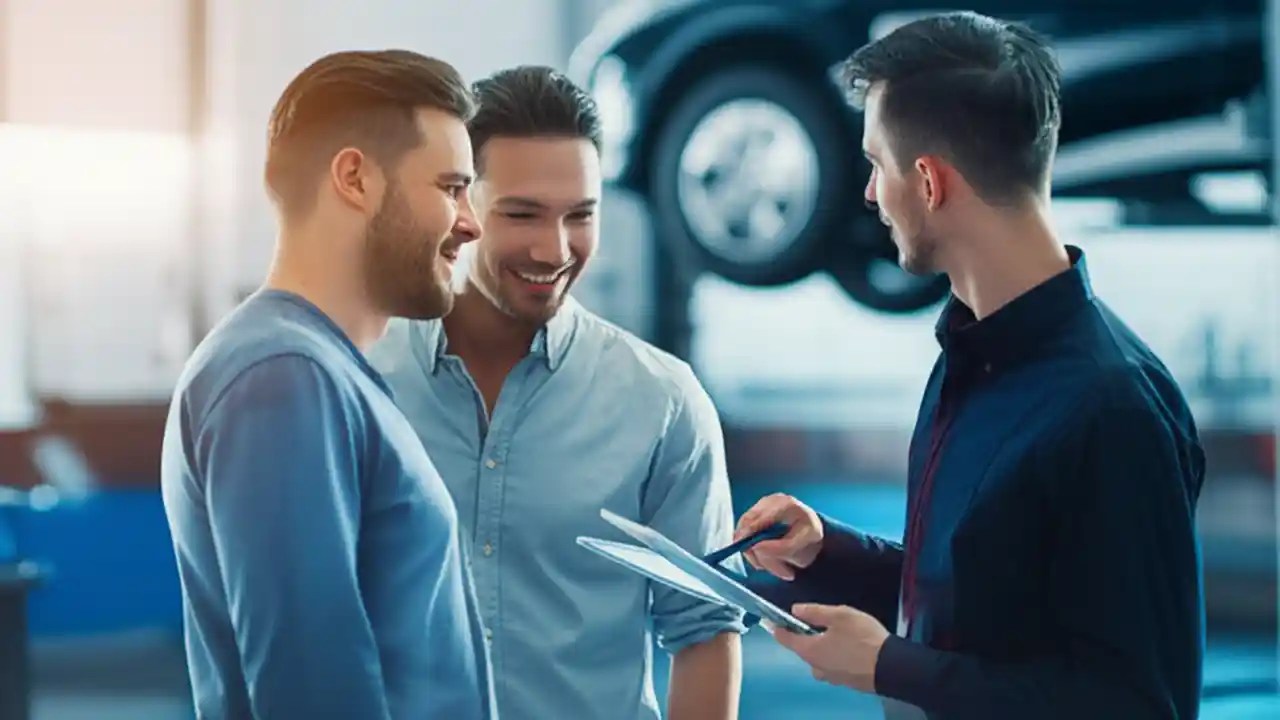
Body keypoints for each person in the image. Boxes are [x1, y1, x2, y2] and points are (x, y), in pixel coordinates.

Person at [734, 12, 1206, 720]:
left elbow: (1137, 703)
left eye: (875, 163)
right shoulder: (970, 355)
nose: (868, 193)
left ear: (927, 182)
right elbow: (985, 603)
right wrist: (828, 551)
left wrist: (892, 666)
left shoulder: (1114, 409)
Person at [368, 65, 746, 720]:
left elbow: (705, 629)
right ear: (461, 205)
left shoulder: (662, 402)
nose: (555, 248)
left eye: (580, 216)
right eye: (522, 215)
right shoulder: (360, 382)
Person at [159, 50, 496, 719]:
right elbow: (311, 694)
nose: (471, 222)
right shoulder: (282, 378)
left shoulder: (318, 371)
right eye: (451, 187)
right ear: (355, 178)